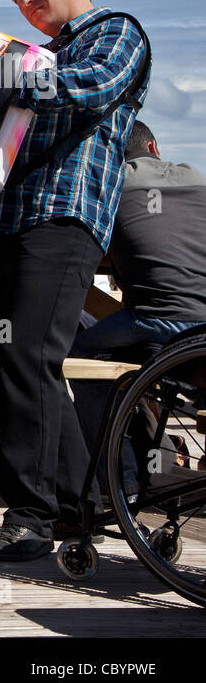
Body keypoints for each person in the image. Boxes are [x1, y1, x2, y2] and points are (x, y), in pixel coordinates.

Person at [0, 0, 150, 561]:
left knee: (31, 357)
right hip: (10, 217)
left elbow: (87, 89)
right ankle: (81, 504)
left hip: (64, 219)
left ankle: (31, 517)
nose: (26, 1)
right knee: (21, 363)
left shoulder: (117, 32)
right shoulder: (34, 56)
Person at [70, 120, 206, 458]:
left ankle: (118, 474)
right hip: (204, 326)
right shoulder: (198, 179)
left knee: (80, 356)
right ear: (154, 148)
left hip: (155, 319)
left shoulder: (111, 185)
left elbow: (84, 250)